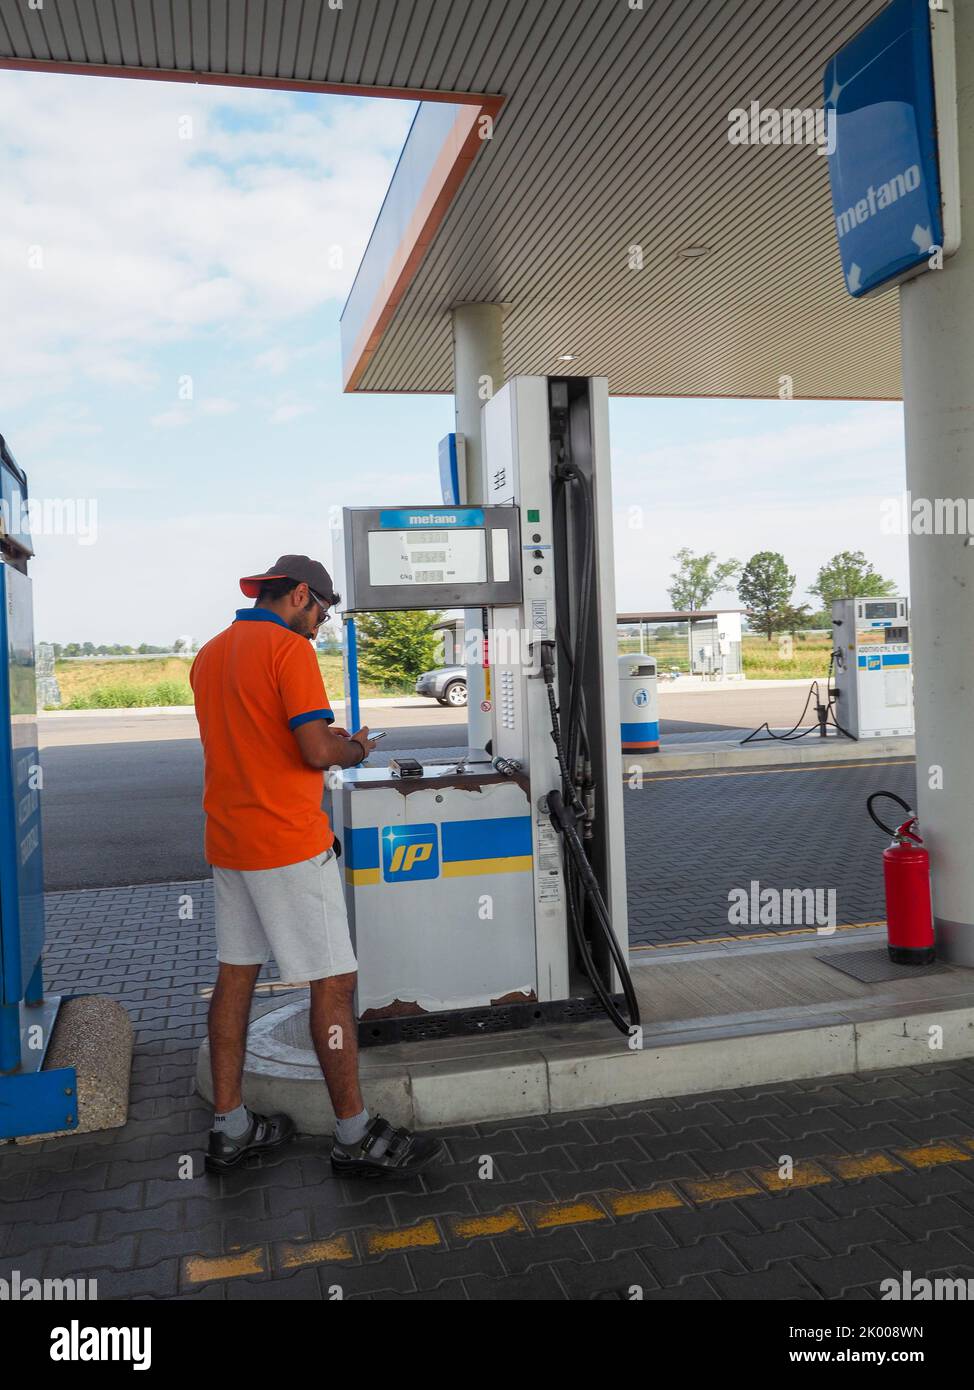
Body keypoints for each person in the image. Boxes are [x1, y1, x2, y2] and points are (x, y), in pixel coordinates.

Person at [189, 554, 442, 1177]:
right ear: (300, 594)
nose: (321, 624)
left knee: (236, 977)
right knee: (331, 985)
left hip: (229, 841)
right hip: (288, 844)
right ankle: (354, 1135)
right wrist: (356, 746)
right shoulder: (288, 652)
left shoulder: (211, 652)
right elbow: (313, 749)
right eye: (322, 611)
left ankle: (231, 1126)